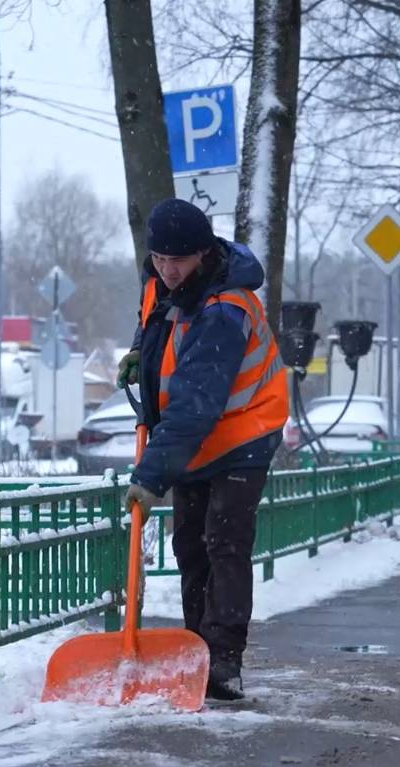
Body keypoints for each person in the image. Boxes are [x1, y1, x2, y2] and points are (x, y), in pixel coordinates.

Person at [116, 198, 289, 701]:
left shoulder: (225, 310)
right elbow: (155, 318)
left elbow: (196, 403)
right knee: (190, 545)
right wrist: (140, 351)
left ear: (203, 253)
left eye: (179, 260)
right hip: (195, 439)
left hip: (245, 432)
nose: (168, 270)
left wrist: (151, 477)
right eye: (159, 258)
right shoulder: (158, 280)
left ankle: (224, 660)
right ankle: (196, 649)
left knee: (225, 542)